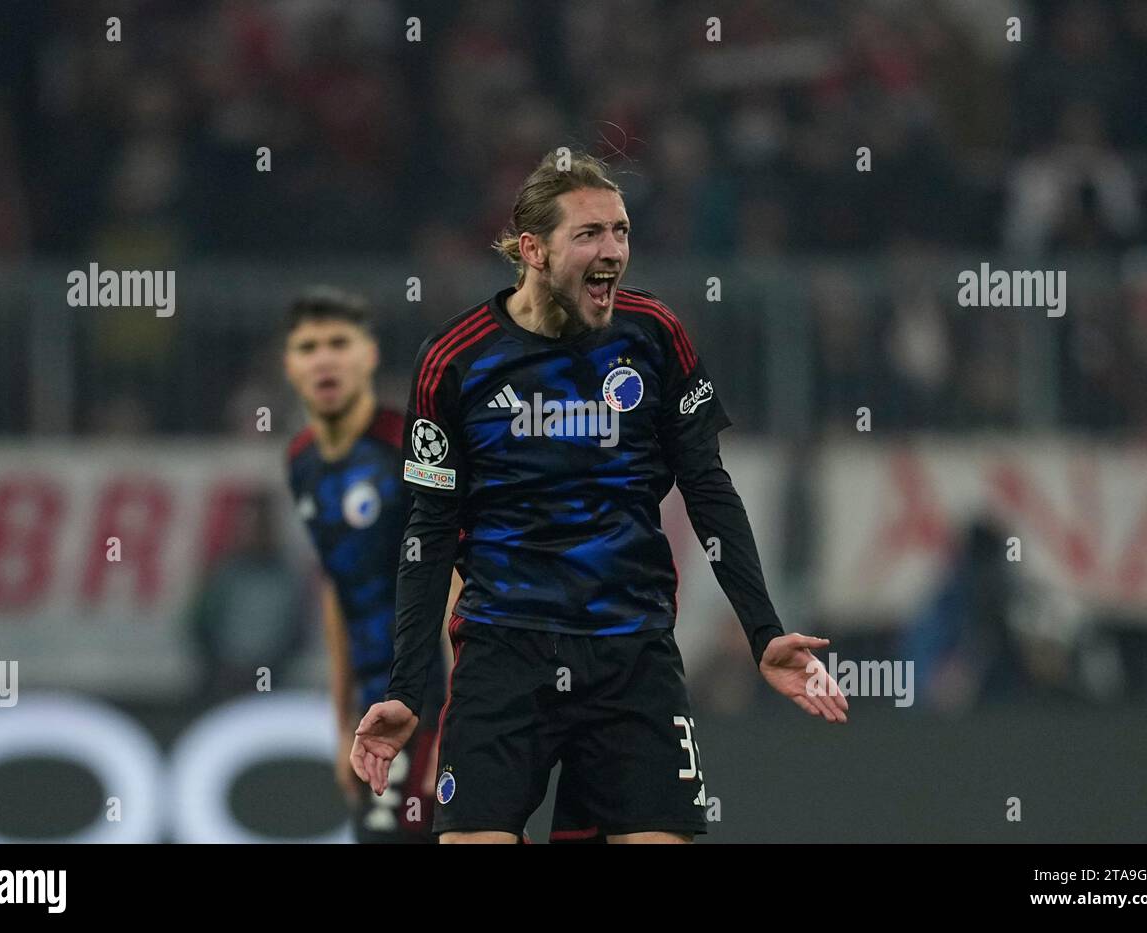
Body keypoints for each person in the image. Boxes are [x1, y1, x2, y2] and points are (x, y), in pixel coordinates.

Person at [353, 150, 848, 844]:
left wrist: (764, 630)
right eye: (589, 234)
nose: (612, 250)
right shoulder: (455, 362)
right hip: (504, 654)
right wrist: (406, 687)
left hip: (631, 655)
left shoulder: (654, 338)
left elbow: (709, 488)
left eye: (620, 231)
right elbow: (426, 533)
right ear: (532, 249)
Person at [284, 286, 454, 843]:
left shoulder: (408, 449)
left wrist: (457, 719)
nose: (325, 358)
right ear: (291, 364)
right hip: (370, 706)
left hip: (429, 693)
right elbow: (340, 590)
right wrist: (339, 729)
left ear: (368, 356)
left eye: (340, 343)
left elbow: (456, 576)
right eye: (309, 347)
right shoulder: (301, 462)